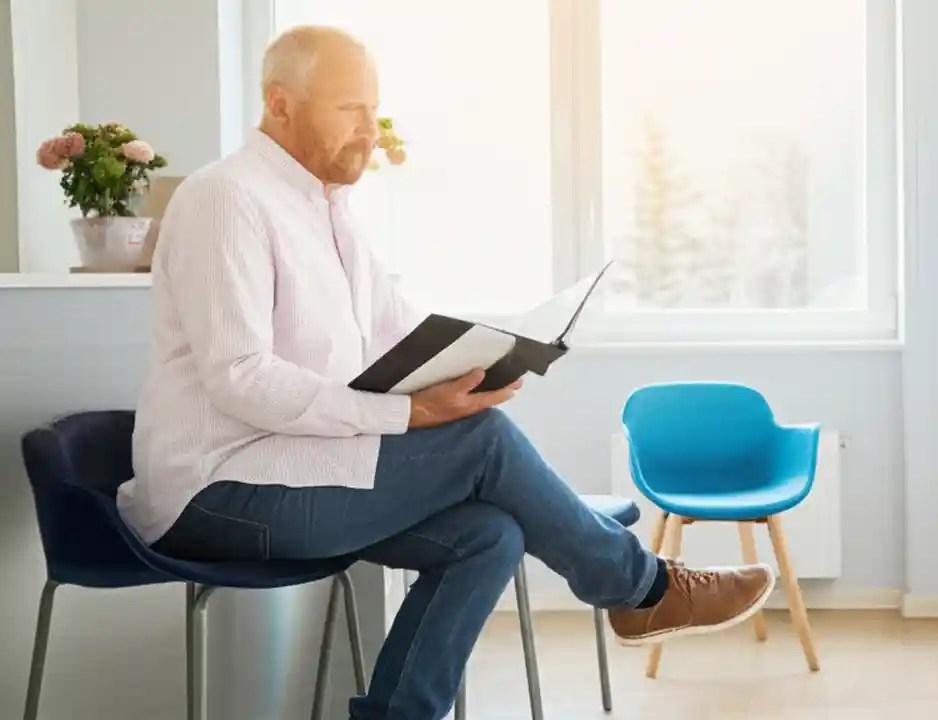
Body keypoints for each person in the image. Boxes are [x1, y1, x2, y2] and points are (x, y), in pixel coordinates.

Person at [116, 25, 774, 720]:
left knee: (489, 535)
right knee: (482, 441)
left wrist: (490, 354)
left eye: (373, 110)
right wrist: (409, 414)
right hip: (216, 493)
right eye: (350, 110)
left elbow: (395, 330)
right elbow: (240, 376)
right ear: (280, 105)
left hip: (296, 470)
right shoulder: (226, 200)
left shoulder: (331, 212)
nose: (370, 130)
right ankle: (640, 590)